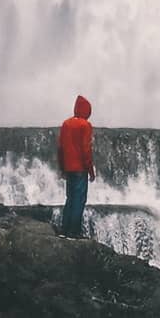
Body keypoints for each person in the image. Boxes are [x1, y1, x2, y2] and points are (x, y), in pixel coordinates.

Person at [57, 93, 95, 237]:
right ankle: (74, 231)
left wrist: (62, 168)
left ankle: (64, 230)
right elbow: (86, 149)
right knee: (79, 200)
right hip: (80, 168)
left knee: (70, 198)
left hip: (68, 167)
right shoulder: (85, 125)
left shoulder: (66, 124)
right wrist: (90, 170)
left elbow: (60, 148)